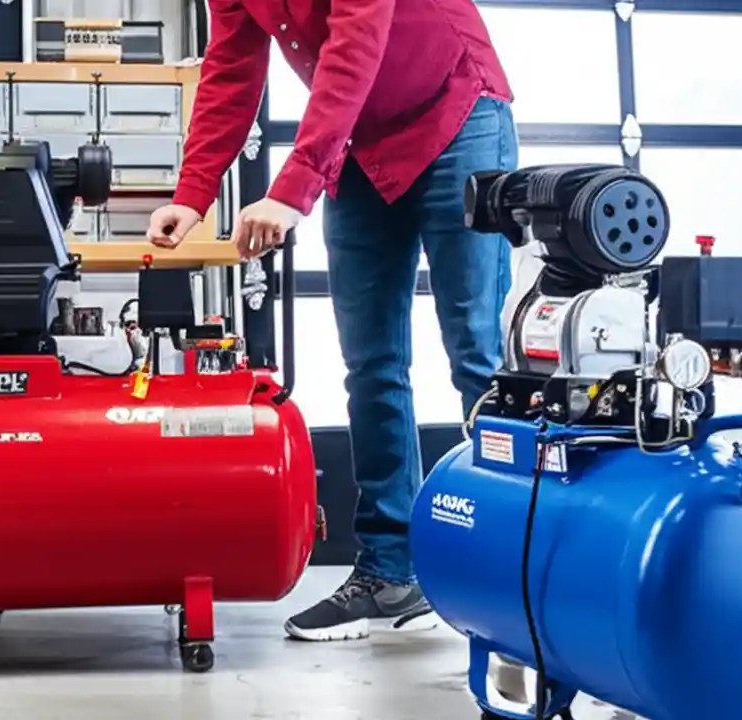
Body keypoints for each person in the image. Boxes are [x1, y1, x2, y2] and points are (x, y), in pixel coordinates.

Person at [147, 0, 516, 642]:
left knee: (477, 354)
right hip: (360, 139)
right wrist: (192, 191)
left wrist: (293, 190)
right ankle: (389, 575)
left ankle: (510, 570)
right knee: (370, 365)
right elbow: (232, 68)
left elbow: (354, 47)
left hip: (454, 113)